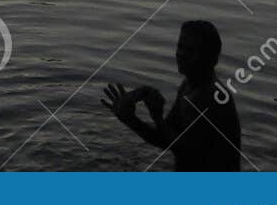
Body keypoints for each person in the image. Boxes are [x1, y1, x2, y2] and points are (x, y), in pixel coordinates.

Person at [101, 20, 241, 170]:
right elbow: (165, 137)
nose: (181, 54)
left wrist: (155, 116)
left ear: (212, 58)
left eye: (190, 50)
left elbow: (182, 149)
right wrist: (129, 119)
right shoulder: (188, 85)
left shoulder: (210, 97)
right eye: (180, 47)